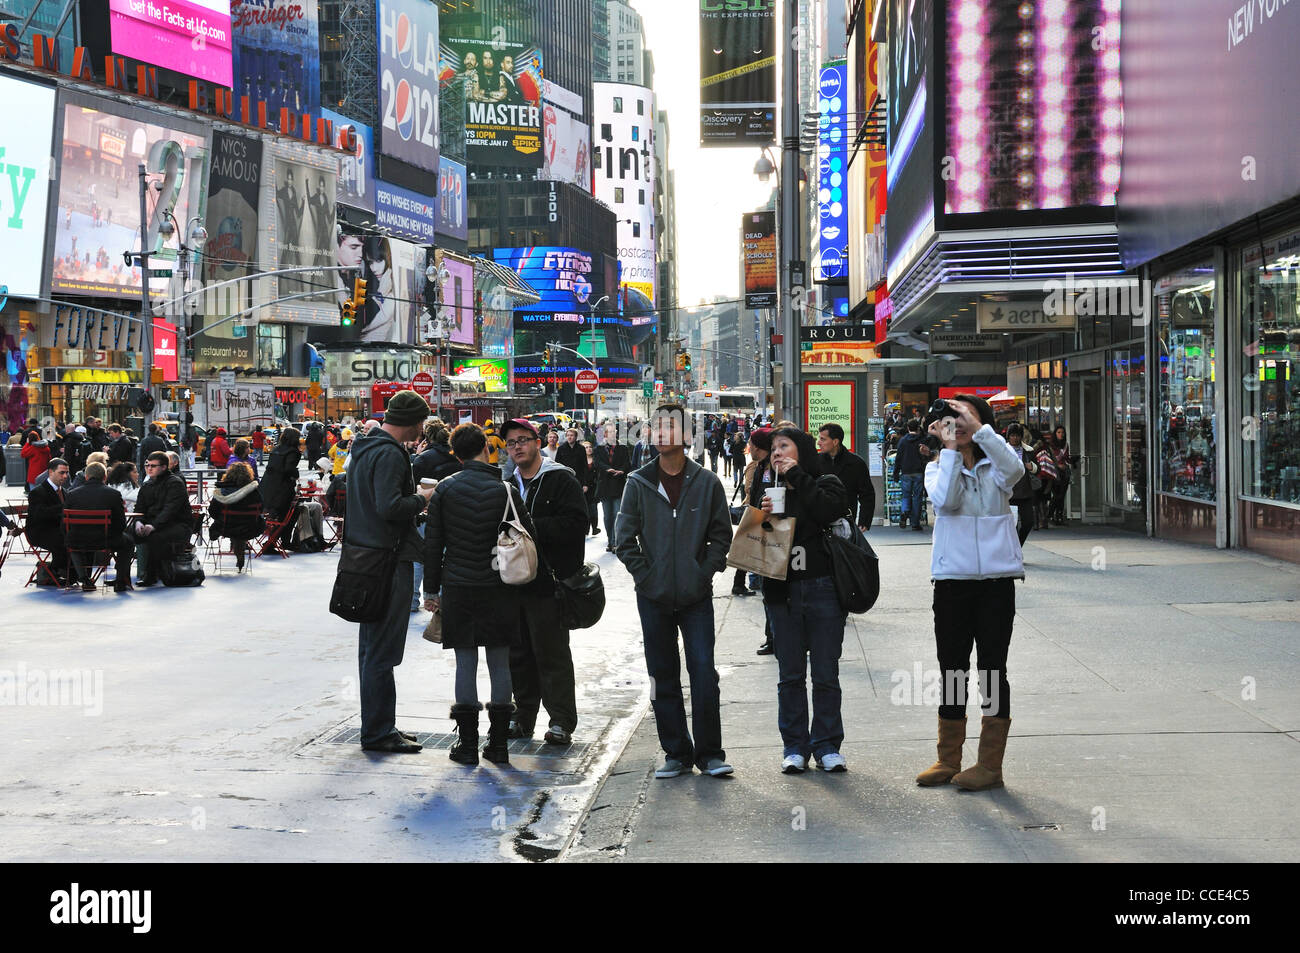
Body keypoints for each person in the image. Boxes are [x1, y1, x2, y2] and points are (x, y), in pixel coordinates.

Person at [615, 404, 734, 779]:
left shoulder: (707, 482)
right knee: (662, 674)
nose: (661, 433)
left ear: (686, 435)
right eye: (656, 427)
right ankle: (676, 753)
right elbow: (624, 540)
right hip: (653, 596)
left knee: (703, 673)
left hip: (695, 596)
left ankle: (710, 754)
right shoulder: (638, 481)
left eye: (670, 427)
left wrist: (704, 573)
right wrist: (646, 577)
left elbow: (721, 536)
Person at [917, 396, 1024, 792]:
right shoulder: (936, 469)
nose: (955, 424)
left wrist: (980, 430)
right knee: (952, 670)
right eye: (948, 420)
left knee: (993, 671)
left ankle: (989, 766)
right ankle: (948, 759)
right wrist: (948, 452)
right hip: (952, 584)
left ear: (980, 421)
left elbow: (1015, 470)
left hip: (996, 585)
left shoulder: (997, 464)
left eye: (962, 418)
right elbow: (946, 501)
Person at [422, 423, 532, 765]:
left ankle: (467, 745)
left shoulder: (444, 490)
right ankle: (498, 745)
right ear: (486, 448)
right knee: (500, 663)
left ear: (455, 453)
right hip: (499, 587)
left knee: (465, 663)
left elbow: (433, 543)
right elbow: (527, 532)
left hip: (458, 587)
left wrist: (430, 589)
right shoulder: (506, 489)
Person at [757, 428, 851, 773]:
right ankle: (794, 746)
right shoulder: (769, 486)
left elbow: (828, 510)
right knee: (790, 675)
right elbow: (755, 532)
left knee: (826, 672)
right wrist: (762, 513)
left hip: (823, 586)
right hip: (782, 589)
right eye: (774, 448)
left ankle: (827, 745)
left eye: (785, 446)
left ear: (803, 451)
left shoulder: (825, 480)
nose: (777, 453)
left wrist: (796, 476)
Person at [348, 391, 437, 754]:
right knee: (382, 651)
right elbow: (390, 507)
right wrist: (423, 499)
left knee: (372, 650)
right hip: (387, 560)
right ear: (415, 422)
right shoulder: (389, 453)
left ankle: (379, 726)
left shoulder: (365, 449)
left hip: (363, 560)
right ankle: (379, 732)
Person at [500, 418, 588, 745]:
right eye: (511, 443)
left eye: (523, 440)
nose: (517, 447)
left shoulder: (559, 478)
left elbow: (578, 523)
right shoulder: (507, 483)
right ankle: (521, 718)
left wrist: (529, 527)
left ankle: (561, 721)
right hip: (514, 584)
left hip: (549, 584)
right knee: (518, 655)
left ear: (538, 443)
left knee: (552, 656)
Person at [64, 461, 135, 592]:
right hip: (106, 540)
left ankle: (84, 578)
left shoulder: (71, 494)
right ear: (105, 477)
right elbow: (121, 524)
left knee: (71, 542)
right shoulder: (113, 494)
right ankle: (120, 581)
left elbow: (65, 523)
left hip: (78, 540)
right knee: (128, 542)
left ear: (86, 476)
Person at [133, 451, 193, 587]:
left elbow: (170, 510)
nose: (149, 468)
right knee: (126, 536)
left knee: (155, 537)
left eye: (153, 466)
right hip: (155, 524)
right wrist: (138, 522)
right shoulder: (147, 485)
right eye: (147, 465)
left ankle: (150, 575)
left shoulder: (175, 483)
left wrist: (153, 526)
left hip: (178, 525)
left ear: (164, 467)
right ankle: (122, 579)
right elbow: (139, 508)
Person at [817, 423, 874, 532]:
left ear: (835, 442)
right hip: (819, 523)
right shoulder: (816, 462)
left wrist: (864, 521)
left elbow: (867, 494)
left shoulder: (856, 463)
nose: (819, 443)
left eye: (823, 439)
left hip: (846, 523)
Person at [208, 461, 263, 572]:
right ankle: (239, 552)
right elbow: (261, 509)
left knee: (232, 524)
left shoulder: (222, 492)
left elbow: (212, 511)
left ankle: (237, 547)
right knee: (240, 528)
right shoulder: (254, 492)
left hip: (225, 528)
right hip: (250, 527)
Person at [25, 457, 72, 585]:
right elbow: (39, 515)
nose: (65, 476)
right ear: (51, 472)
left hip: (59, 530)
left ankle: (67, 573)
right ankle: (50, 571)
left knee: (77, 539)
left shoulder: (66, 493)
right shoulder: (37, 492)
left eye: (67, 473)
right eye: (61, 473)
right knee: (64, 542)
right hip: (40, 532)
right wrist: (64, 509)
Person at [593, 424, 631, 553]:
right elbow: (597, 463)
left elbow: (627, 463)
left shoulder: (623, 448)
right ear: (605, 434)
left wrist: (621, 471)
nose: (612, 434)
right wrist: (606, 469)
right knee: (608, 516)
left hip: (618, 484)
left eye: (614, 432)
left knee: (616, 515)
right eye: (610, 432)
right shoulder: (599, 448)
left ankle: (616, 542)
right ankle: (610, 541)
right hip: (605, 486)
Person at [891, 418, 930, 531]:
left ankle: (904, 511)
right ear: (918, 428)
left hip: (906, 472)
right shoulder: (922, 440)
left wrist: (896, 473)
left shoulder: (902, 441)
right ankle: (915, 523)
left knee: (906, 495)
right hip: (918, 472)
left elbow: (898, 458)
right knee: (917, 497)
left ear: (907, 428)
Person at [260, 428, 302, 524]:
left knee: (274, 515)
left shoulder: (276, 449)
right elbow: (289, 468)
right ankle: (284, 537)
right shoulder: (293, 451)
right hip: (282, 488)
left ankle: (274, 535)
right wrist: (296, 474)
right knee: (290, 515)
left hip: (267, 485)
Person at [1006, 424, 1038, 547]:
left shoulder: (1029, 450)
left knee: (1028, 522)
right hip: (1009, 493)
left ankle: (1017, 547)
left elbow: (1038, 469)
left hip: (1025, 492)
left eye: (1017, 435)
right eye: (1012, 435)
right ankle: (1013, 550)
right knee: (1010, 525)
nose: (1015, 438)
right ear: (1008, 436)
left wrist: (1032, 467)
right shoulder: (1002, 449)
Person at [1047, 426, 1074, 525]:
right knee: (1057, 495)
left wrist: (1072, 460)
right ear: (1055, 434)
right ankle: (1049, 515)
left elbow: (1067, 458)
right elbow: (1048, 459)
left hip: (1064, 473)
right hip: (1054, 473)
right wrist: (1058, 465)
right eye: (1058, 432)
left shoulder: (1065, 445)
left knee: (1062, 495)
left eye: (1062, 432)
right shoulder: (1051, 446)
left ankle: (1059, 517)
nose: (1061, 434)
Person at [581, 441, 599, 535]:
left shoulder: (596, 460)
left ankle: (594, 527)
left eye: (590, 447)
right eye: (586, 447)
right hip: (583, 488)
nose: (588, 449)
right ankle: (586, 528)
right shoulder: (580, 461)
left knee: (593, 508)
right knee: (585, 508)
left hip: (594, 488)